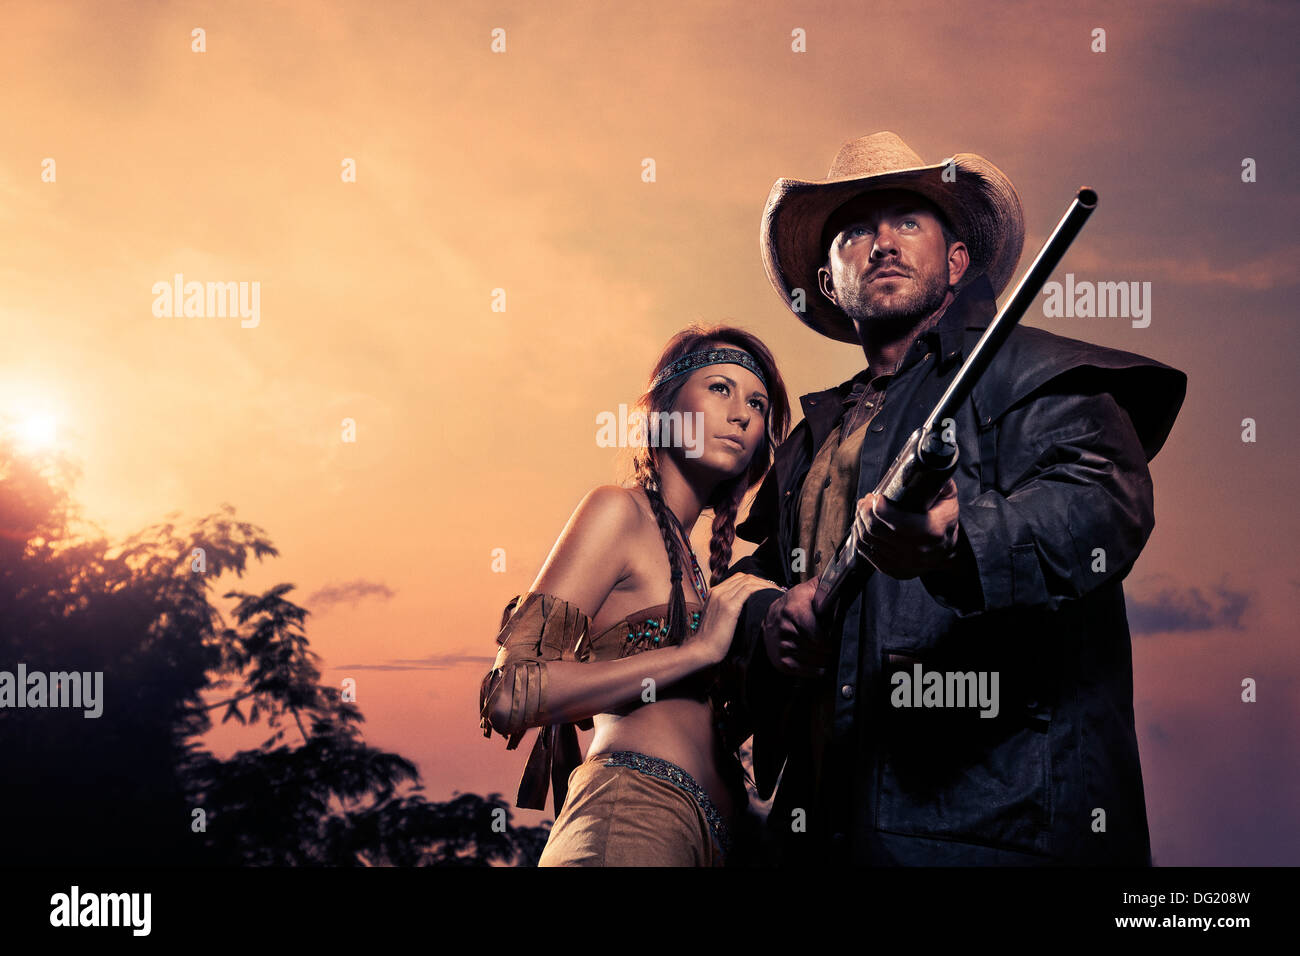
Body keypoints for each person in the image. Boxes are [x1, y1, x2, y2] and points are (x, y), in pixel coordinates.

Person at [720, 131, 1188, 865]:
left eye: (907, 221)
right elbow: (747, 584)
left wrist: (959, 537)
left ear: (957, 260)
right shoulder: (810, 442)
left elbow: (1104, 503)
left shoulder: (1034, 372)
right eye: (854, 233)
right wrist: (767, 617)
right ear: (828, 277)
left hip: (995, 835)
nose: (881, 243)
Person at [478, 324, 791, 866]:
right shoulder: (617, 512)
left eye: (757, 403)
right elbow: (507, 694)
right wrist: (695, 652)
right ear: (665, 410)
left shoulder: (696, 566)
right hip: (631, 818)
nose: (742, 413)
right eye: (720, 388)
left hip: (718, 840)